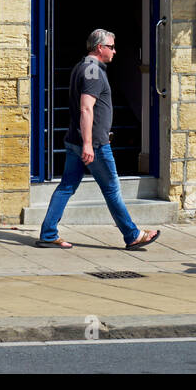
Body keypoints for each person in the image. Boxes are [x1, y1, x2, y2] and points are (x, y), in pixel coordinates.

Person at [38, 28, 160, 250]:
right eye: (111, 47)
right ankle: (132, 234)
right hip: (92, 144)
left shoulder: (82, 66)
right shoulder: (93, 71)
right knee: (111, 189)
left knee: (66, 186)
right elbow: (86, 108)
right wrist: (88, 143)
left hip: (76, 140)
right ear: (99, 48)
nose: (115, 51)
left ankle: (48, 233)